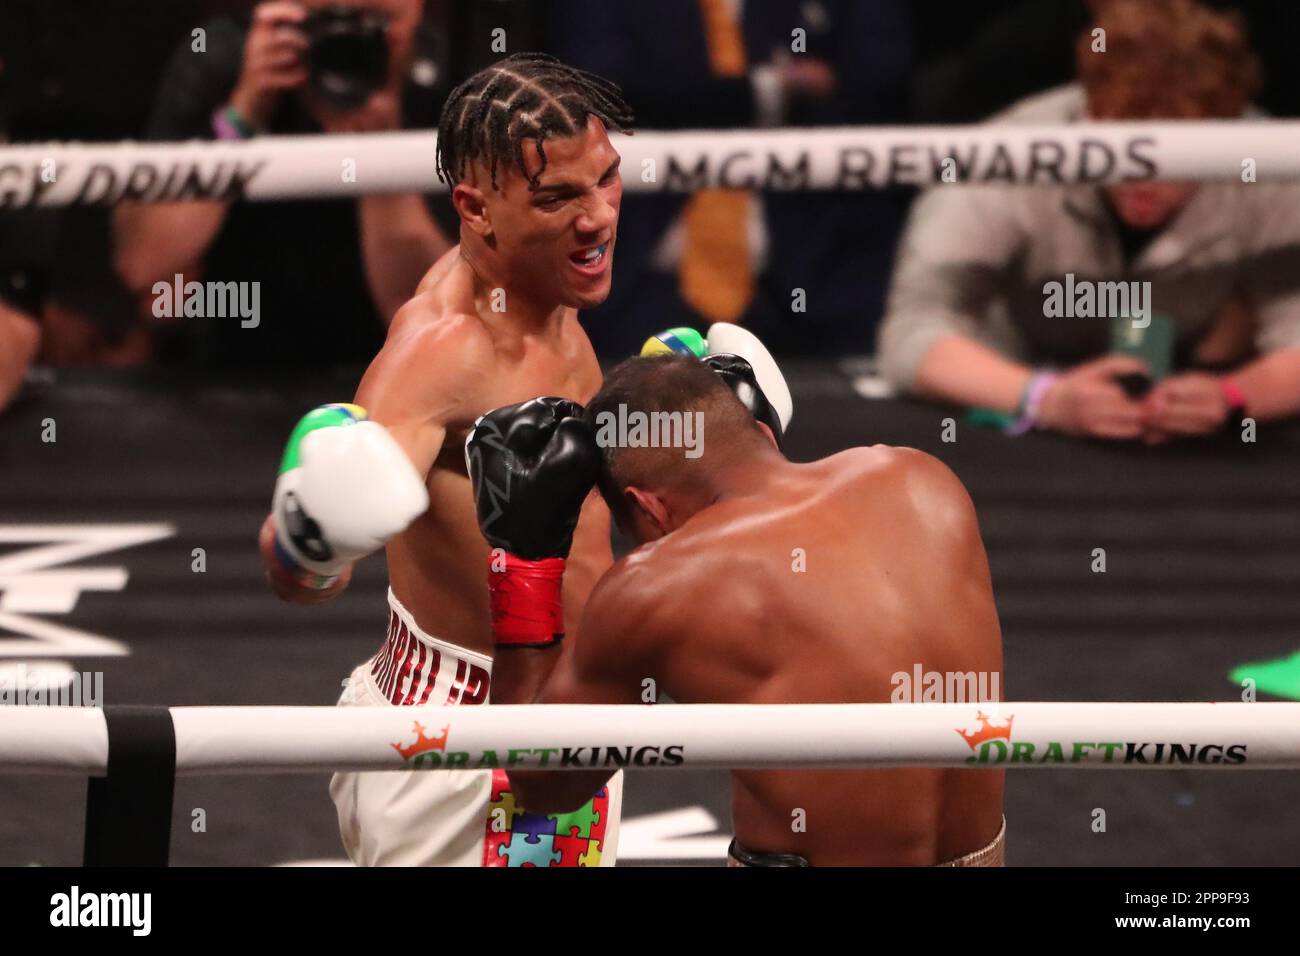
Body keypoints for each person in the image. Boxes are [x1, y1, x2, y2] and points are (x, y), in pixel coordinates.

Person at [257, 53, 634, 866]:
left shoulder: (549, 294)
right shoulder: (445, 348)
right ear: (475, 207)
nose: (598, 216)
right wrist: (305, 539)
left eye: (606, 179)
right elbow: (303, 578)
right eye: (558, 197)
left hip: (551, 713)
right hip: (467, 738)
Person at [465, 353, 1006, 866]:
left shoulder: (654, 583)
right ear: (765, 431)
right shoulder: (923, 477)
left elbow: (542, 783)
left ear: (647, 506)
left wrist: (523, 561)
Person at [878, 0, 1300, 442]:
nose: (1144, 180)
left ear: (1222, 129)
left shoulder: (1261, 159)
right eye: (1122, 145)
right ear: (1090, 111)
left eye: (1175, 155)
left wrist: (1232, 395)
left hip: (1182, 423)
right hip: (1010, 416)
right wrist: (1046, 397)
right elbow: (914, 328)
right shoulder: (1016, 152)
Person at [113, 0, 453, 367]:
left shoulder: (442, 75)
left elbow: (431, 323)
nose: (345, 41)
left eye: (369, 22)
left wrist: (378, 148)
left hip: (388, 373)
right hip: (229, 368)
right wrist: (240, 118)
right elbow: (142, 264)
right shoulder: (226, 59)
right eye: (326, 21)